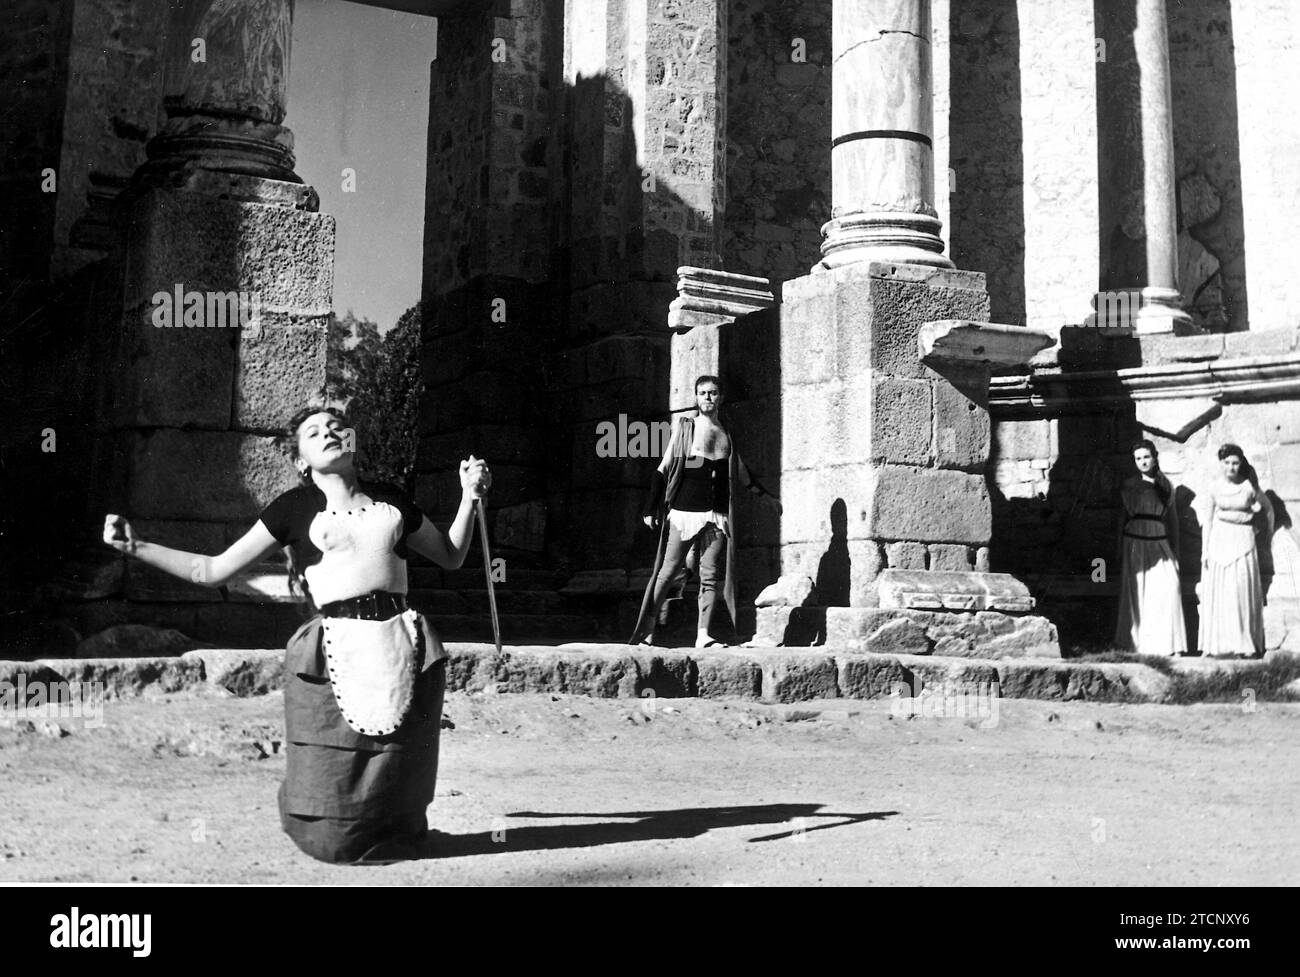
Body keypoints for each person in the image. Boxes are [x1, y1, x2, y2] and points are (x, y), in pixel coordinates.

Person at [103, 406, 491, 864]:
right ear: (300, 460)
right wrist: (136, 546)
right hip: (334, 648)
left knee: (399, 757)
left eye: (335, 427)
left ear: (352, 441)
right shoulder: (290, 508)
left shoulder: (393, 501)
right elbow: (212, 570)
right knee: (334, 763)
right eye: (313, 431)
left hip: (400, 641)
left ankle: (398, 834)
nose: (327, 432)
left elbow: (450, 555)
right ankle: (337, 836)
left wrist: (469, 497)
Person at [629, 375, 777, 648]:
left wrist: (768, 499)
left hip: (716, 515)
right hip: (685, 512)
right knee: (668, 571)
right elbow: (663, 469)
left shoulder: (727, 434)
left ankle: (703, 635)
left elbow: (743, 474)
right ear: (696, 398)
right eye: (702, 393)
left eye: (713, 393)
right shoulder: (686, 428)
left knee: (709, 576)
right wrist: (651, 507)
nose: (708, 397)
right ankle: (648, 631)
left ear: (721, 397)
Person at [1198, 443, 1272, 657]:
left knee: (1240, 591)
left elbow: (1268, 510)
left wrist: (1260, 532)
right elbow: (1208, 521)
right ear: (1221, 463)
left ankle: (1244, 645)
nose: (1231, 467)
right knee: (1222, 592)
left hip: (1243, 540)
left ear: (1241, 463)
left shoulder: (1249, 486)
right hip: (1220, 540)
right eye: (1227, 463)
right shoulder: (1214, 487)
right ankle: (1219, 646)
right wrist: (1205, 550)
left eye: (1235, 463)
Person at [1114, 440, 1187, 655]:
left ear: (1155, 457)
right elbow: (1121, 517)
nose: (1143, 462)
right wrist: (1118, 546)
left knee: (1169, 588)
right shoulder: (1129, 485)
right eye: (1138, 458)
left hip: (1159, 539)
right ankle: (1139, 644)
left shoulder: (1165, 486)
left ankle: (1167, 645)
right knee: (1138, 591)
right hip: (1134, 540)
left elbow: (1173, 521)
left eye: (1146, 457)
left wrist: (1176, 550)